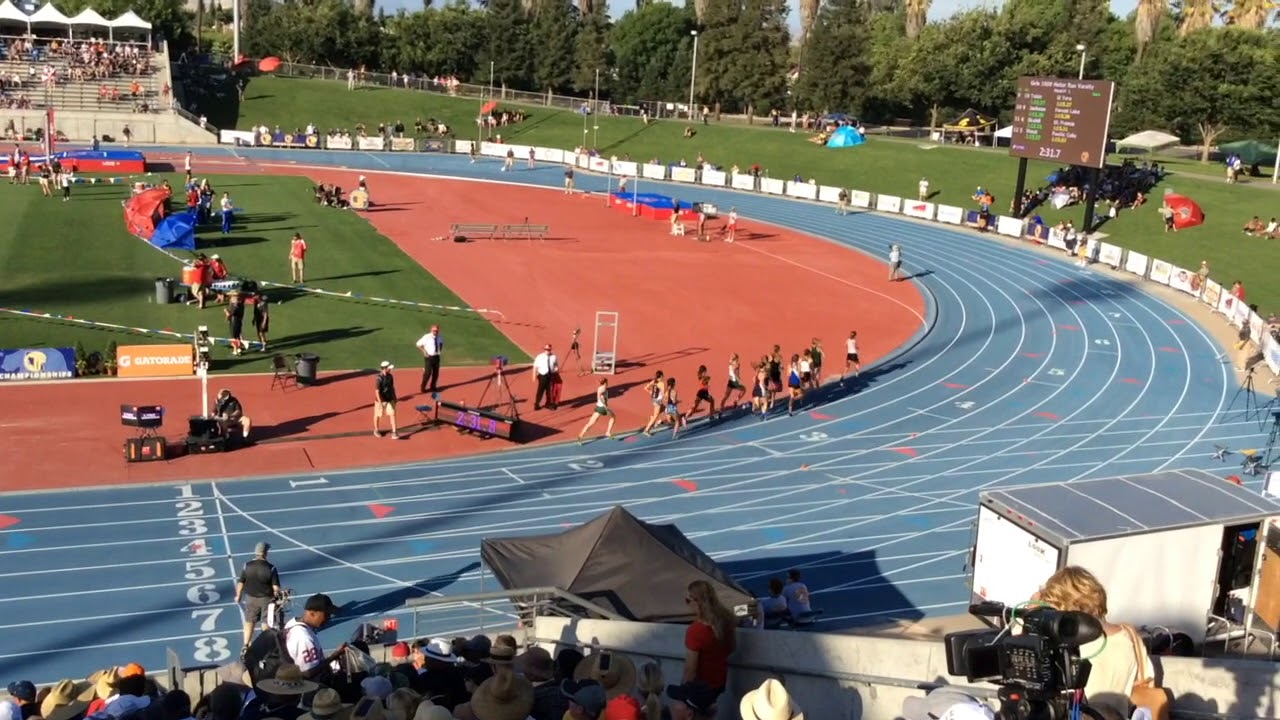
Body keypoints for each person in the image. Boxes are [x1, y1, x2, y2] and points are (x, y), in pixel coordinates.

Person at [1028, 566, 1154, 719]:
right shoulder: (1130, 634)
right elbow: (1148, 679)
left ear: (1059, 601)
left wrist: (1031, 613)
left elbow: (1022, 660)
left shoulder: (1066, 642)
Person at [681, 580, 735, 696]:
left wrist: (683, 693)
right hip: (719, 683)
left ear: (696, 602)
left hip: (701, 688)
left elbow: (690, 671)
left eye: (688, 601)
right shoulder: (726, 620)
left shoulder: (695, 630)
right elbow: (731, 648)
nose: (687, 605)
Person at [282, 593, 348, 684]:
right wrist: (334, 656)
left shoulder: (292, 622)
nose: (328, 619)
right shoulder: (304, 639)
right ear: (312, 613)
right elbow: (308, 673)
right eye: (326, 615)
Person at [234, 541, 282, 656]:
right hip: (266, 599)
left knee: (249, 621)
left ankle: (245, 645)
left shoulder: (247, 566)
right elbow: (276, 588)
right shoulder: (271, 568)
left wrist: (238, 595)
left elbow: (241, 582)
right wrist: (279, 594)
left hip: (251, 598)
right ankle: (265, 645)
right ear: (265, 553)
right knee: (266, 622)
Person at [577, 378, 616, 443]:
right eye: (607, 382)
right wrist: (604, 406)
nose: (608, 383)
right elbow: (600, 397)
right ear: (605, 383)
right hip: (602, 408)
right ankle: (608, 432)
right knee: (613, 417)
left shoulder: (600, 388)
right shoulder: (603, 389)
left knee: (590, 423)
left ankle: (580, 436)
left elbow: (599, 396)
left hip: (598, 408)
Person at [374, 361, 400, 439]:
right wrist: (380, 402)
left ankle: (394, 432)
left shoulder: (390, 376)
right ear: (384, 369)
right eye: (389, 368)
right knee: (378, 415)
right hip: (381, 400)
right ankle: (376, 430)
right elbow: (377, 392)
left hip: (390, 399)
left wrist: (394, 397)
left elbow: (392, 387)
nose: (390, 369)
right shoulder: (379, 379)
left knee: (392, 414)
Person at [416, 325, 444, 394]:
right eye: (434, 331)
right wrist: (424, 351)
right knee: (428, 373)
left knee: (436, 373)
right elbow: (418, 344)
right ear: (431, 330)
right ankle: (423, 387)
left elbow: (441, 343)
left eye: (437, 331)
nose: (435, 332)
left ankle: (433, 386)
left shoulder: (439, 337)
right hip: (429, 357)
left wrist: (439, 351)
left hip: (436, 357)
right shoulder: (426, 337)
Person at [531, 344, 560, 411]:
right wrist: (534, 376)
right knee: (540, 390)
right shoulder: (540, 356)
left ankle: (548, 404)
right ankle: (537, 403)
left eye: (549, 350)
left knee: (549, 390)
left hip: (550, 375)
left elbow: (556, 365)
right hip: (542, 375)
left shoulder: (554, 357)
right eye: (546, 349)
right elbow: (535, 367)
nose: (547, 351)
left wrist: (556, 369)